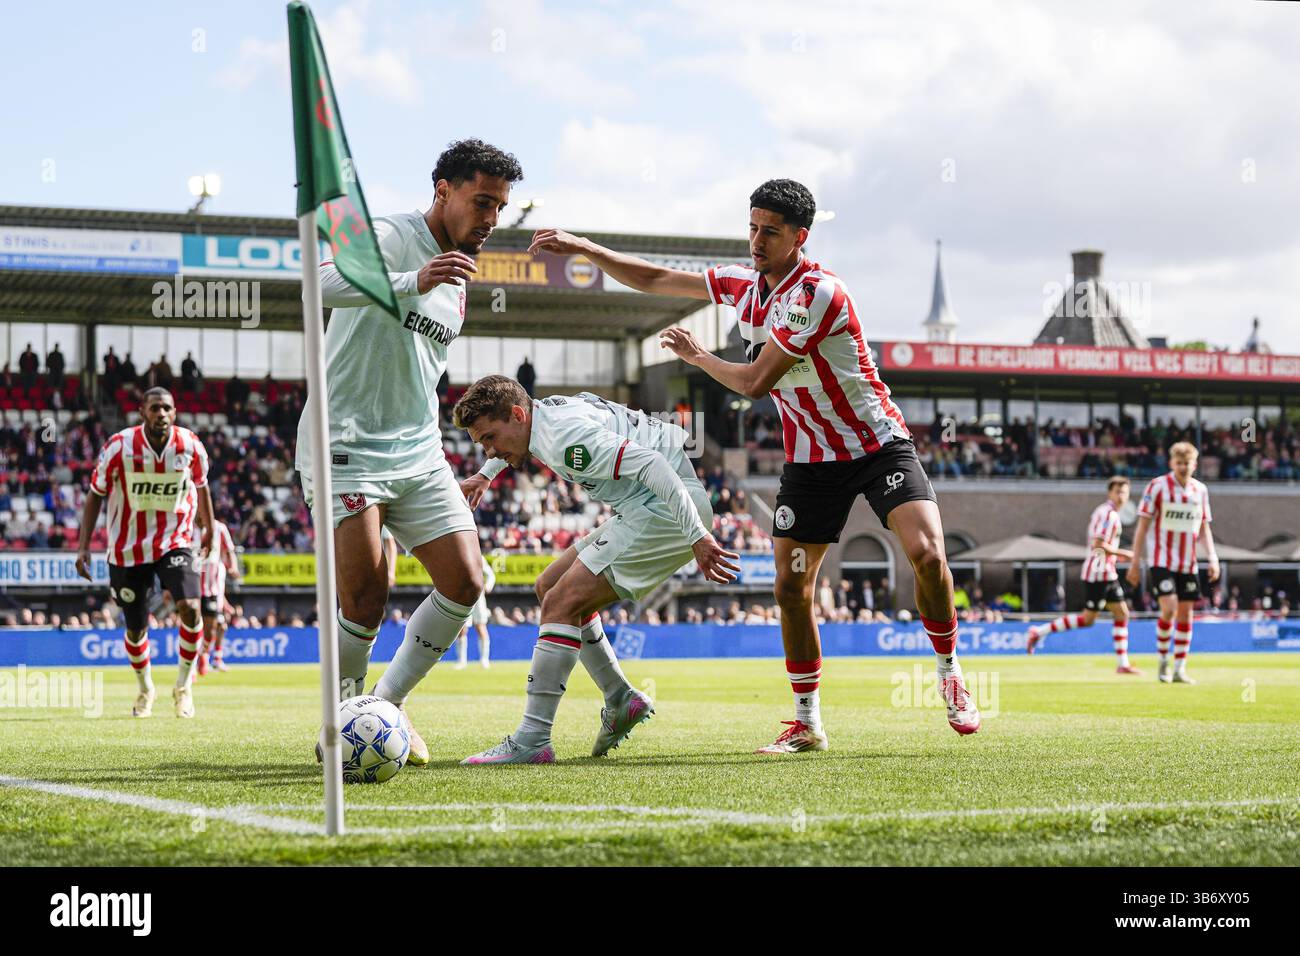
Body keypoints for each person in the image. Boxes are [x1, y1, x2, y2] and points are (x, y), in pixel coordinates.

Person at [529, 178, 980, 752]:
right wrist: (586, 249)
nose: (756, 240)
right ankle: (807, 722)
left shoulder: (818, 293)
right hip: (811, 461)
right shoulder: (745, 286)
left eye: (770, 231)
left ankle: (949, 672)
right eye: (752, 227)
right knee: (792, 588)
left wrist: (696, 356)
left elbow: (754, 381)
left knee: (928, 554)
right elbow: (657, 279)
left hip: (875, 445)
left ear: (800, 236)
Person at [296, 138, 524, 766]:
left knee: (467, 580)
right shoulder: (391, 236)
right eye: (482, 202)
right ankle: (336, 719)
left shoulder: (464, 279)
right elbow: (316, 282)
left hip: (419, 450)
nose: (491, 219)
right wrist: (410, 280)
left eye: (500, 208)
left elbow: (423, 367)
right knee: (366, 595)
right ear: (442, 191)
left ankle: (385, 706)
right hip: (346, 442)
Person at [455, 376, 737, 763]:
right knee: (548, 585)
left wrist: (697, 536)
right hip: (643, 506)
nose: (490, 449)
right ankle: (620, 697)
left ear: (518, 415)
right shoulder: (542, 414)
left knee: (560, 603)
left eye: (489, 438)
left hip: (668, 510)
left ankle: (532, 740)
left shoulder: (567, 440)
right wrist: (486, 473)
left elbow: (653, 464)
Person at [74, 387, 214, 717]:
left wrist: (208, 526)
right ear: (142, 412)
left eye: (167, 408)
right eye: (155, 408)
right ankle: (145, 688)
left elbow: (202, 484)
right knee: (136, 627)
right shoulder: (119, 447)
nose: (161, 414)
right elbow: (96, 494)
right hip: (127, 548)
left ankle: (183, 687)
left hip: (175, 539)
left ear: (174, 412)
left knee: (190, 607)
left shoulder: (190, 445)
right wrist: (83, 546)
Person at [1127, 442, 1218, 684]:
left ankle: (1180, 668)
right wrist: (1135, 561)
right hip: (1161, 560)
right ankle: (1163, 659)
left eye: (1187, 463)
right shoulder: (1157, 486)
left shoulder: (1200, 491)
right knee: (1169, 609)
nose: (1183, 467)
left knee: (1186, 616)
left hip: (1188, 564)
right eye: (1178, 463)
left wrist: (1212, 557)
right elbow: (1142, 526)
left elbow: (1204, 527)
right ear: (1171, 463)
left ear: (1194, 464)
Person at [1027, 477, 1139, 673]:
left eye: (1125, 492)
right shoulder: (1108, 514)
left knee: (1121, 613)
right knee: (1089, 619)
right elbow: (1098, 544)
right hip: (1098, 573)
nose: (1122, 495)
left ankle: (1123, 664)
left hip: (1105, 570)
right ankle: (1038, 631)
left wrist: (1114, 557)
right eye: (1118, 491)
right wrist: (1125, 554)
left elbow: (1100, 547)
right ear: (1110, 493)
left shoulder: (1108, 513)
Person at [196, 517, 239, 675]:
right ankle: (202, 659)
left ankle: (211, 658)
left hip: (213, 594)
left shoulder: (220, 528)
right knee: (199, 626)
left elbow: (230, 551)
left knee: (219, 626)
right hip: (195, 588)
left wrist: (233, 566)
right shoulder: (190, 526)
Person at [453, 553, 496, 669]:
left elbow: (491, 575)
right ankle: (461, 661)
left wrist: (488, 586)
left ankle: (484, 660)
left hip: (478, 597)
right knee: (462, 628)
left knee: (480, 626)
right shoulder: (457, 557)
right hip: (462, 596)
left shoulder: (479, 557)